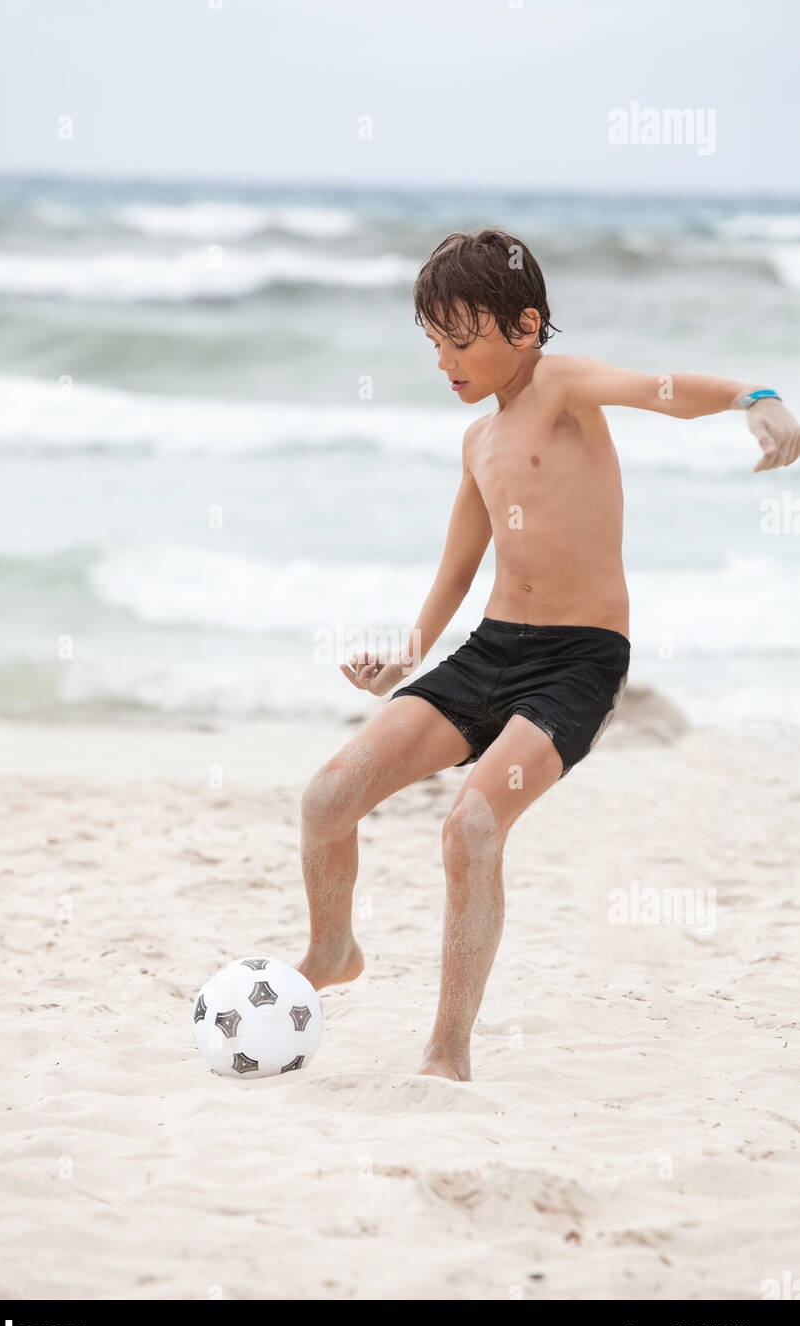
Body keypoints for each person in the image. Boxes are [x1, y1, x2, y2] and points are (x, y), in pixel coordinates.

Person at [297, 228, 800, 1080]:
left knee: (473, 826)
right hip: (488, 651)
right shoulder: (478, 442)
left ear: (524, 328)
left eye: (461, 342)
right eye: (434, 345)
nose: (446, 363)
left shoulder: (563, 386)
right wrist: (406, 660)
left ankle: (447, 1054)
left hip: (579, 662)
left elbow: (662, 389)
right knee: (326, 797)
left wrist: (755, 397)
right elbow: (459, 567)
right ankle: (334, 948)